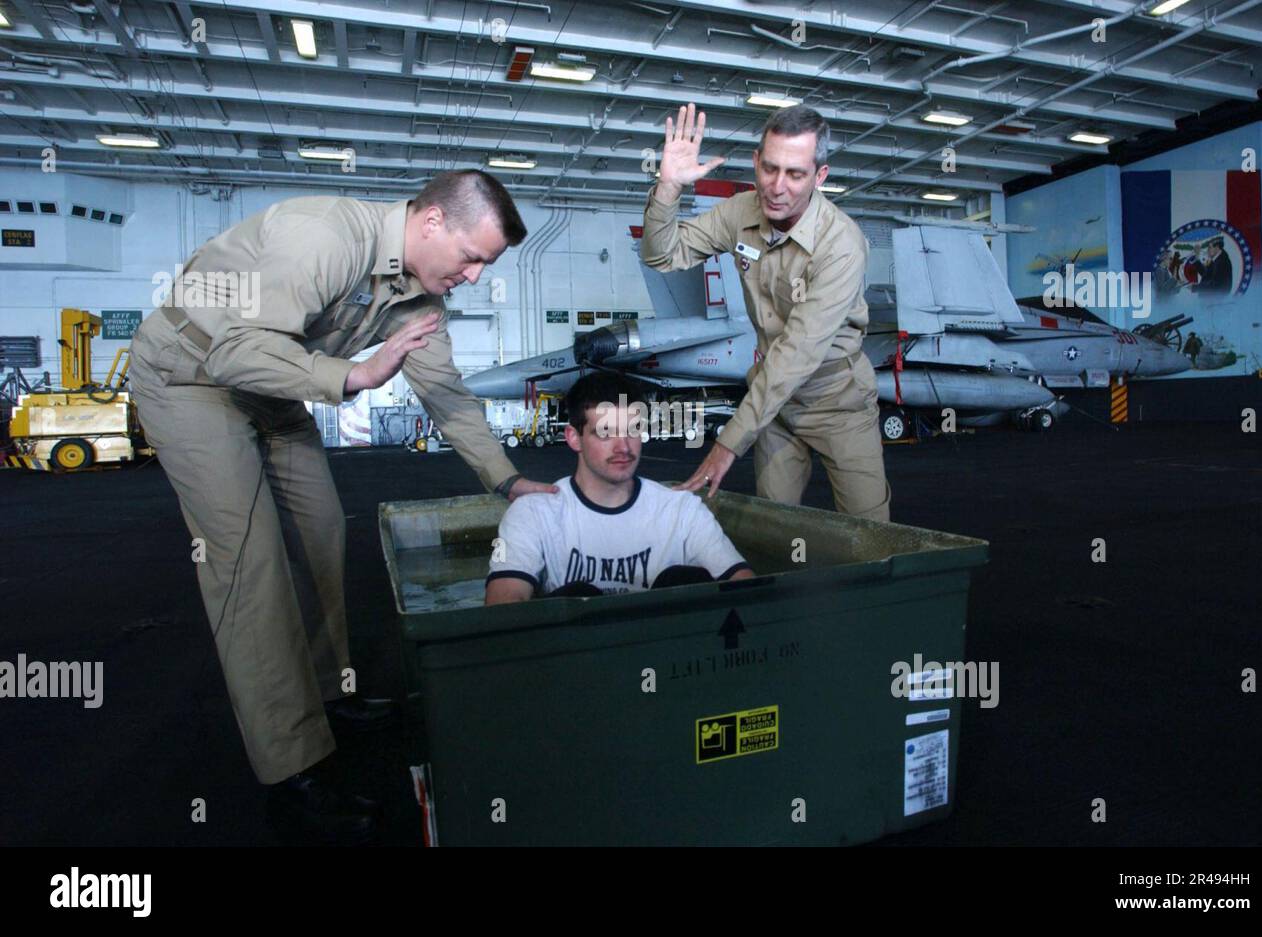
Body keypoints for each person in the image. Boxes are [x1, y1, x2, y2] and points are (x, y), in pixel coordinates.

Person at [128, 170, 557, 844]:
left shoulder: (421, 300)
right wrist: (352, 376)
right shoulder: (326, 236)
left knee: (324, 529)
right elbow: (235, 348)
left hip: (274, 386)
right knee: (251, 559)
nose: (477, 276)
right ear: (432, 223)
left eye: (488, 265)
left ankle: (330, 691)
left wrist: (507, 482)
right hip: (190, 375)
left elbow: (445, 398)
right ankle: (291, 765)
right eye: (473, 257)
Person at [640, 102, 891, 522]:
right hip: (773, 407)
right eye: (769, 168)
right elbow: (661, 256)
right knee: (773, 526)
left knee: (874, 534)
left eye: (795, 174)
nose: (777, 187)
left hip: (838, 402)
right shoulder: (741, 212)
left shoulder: (842, 244)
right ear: (755, 162)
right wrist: (669, 188)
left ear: (819, 176)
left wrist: (727, 445)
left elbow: (798, 354)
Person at [485, 373, 755, 604]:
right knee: (574, 599)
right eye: (605, 433)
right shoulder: (532, 513)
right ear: (573, 438)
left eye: (632, 430)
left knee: (684, 581)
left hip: (669, 656)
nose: (623, 447)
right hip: (581, 660)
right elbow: (504, 607)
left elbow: (747, 590)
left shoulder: (682, 509)